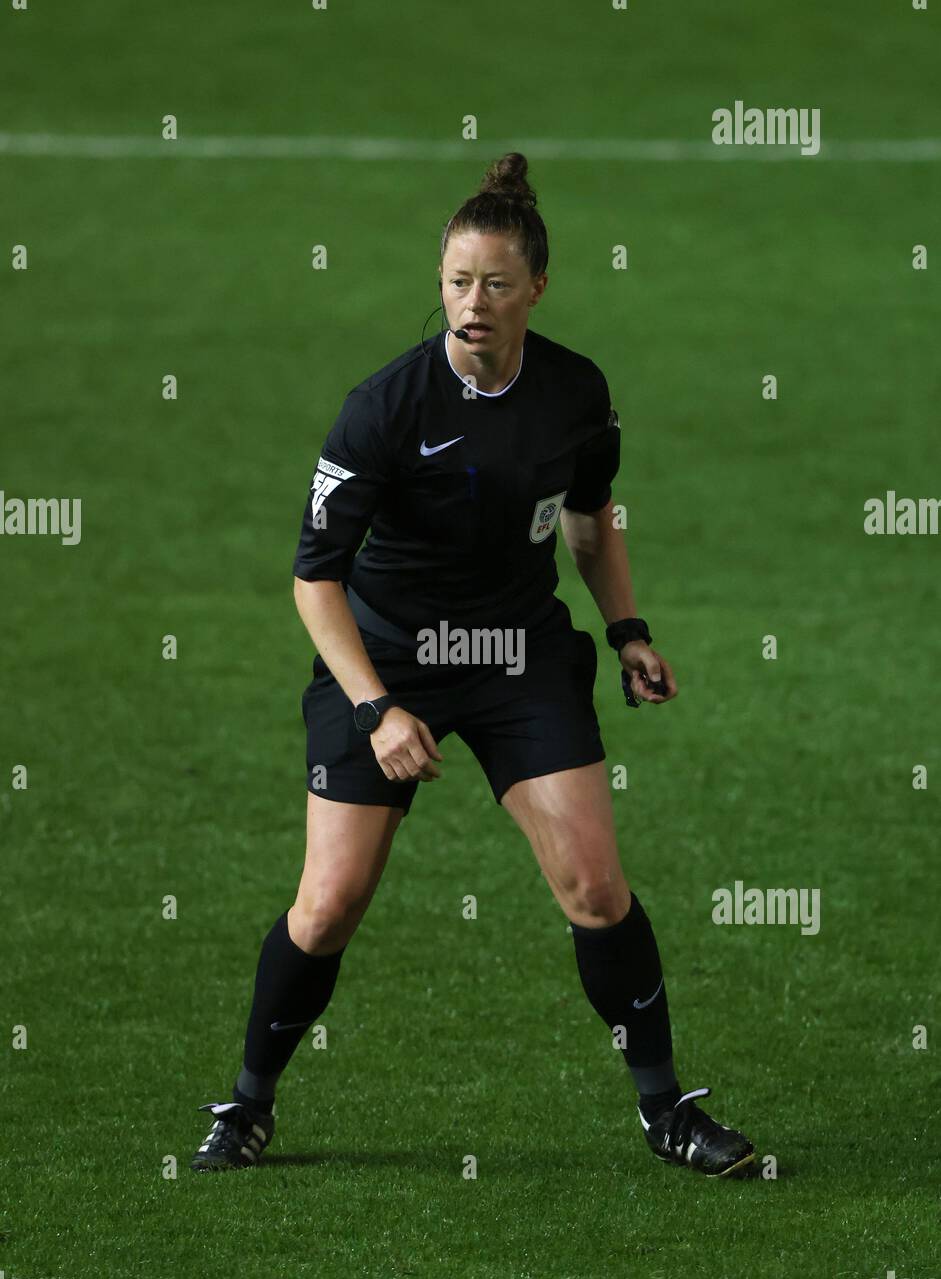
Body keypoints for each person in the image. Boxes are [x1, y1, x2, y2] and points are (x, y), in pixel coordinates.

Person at [191, 152, 755, 1179]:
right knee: (327, 904)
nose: (471, 302)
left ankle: (665, 1107)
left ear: (536, 287)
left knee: (592, 885)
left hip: (516, 656)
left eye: (495, 283)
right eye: (456, 280)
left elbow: (589, 519)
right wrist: (375, 709)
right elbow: (314, 578)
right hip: (389, 659)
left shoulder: (575, 394)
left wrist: (627, 631)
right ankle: (247, 1102)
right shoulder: (385, 408)